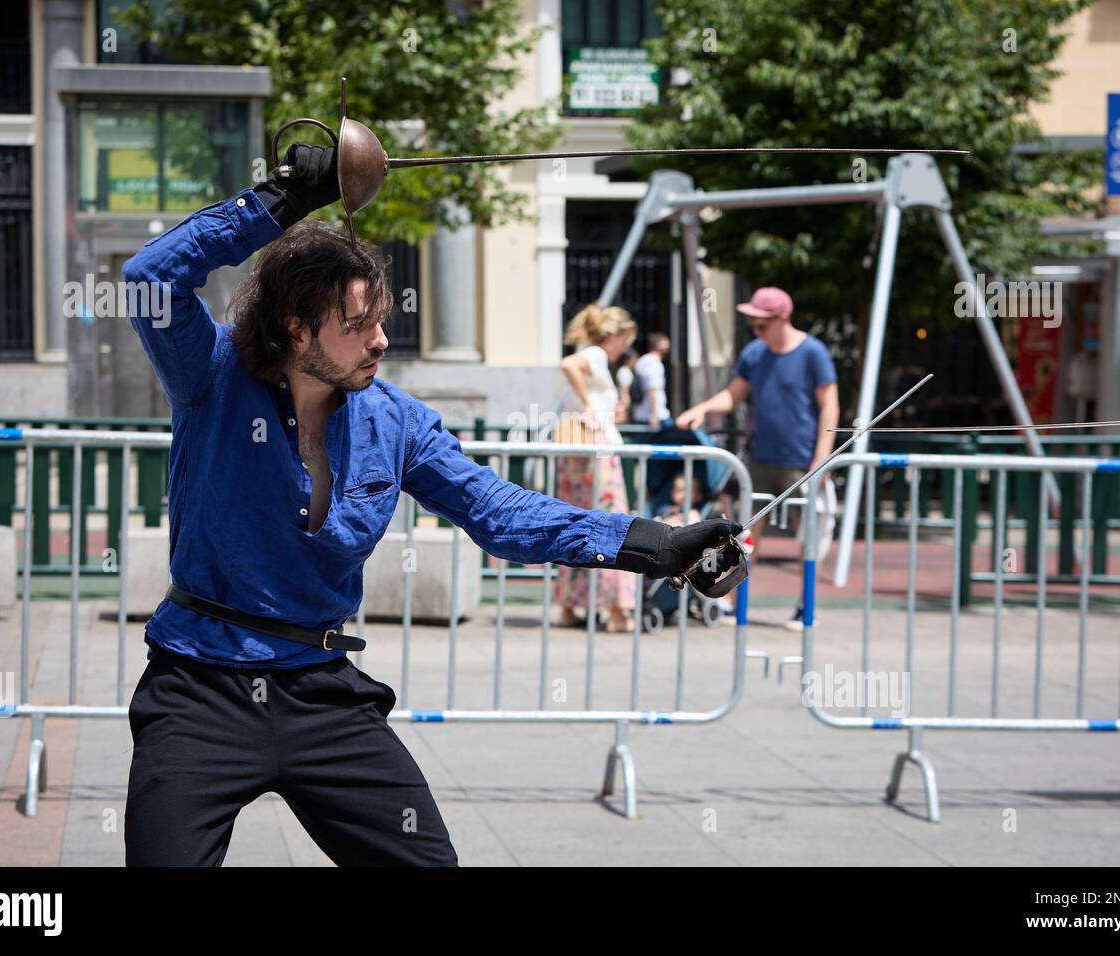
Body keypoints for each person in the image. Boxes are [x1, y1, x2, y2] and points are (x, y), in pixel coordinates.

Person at [120, 142, 740, 866]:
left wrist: (653, 544)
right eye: (357, 325)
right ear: (296, 328)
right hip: (199, 688)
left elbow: (498, 512)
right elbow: (150, 277)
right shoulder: (213, 375)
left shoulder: (397, 420)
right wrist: (280, 202)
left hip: (322, 693)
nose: (381, 338)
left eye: (381, 318)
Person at [677, 286, 838, 629]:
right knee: (746, 535)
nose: (756, 331)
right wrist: (703, 408)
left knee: (809, 536)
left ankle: (805, 607)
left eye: (762, 325)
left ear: (783, 318)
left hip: (802, 461)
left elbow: (829, 405)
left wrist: (822, 459)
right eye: (752, 325)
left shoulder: (813, 353)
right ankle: (737, 605)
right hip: (762, 458)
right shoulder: (754, 353)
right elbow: (734, 395)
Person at [553, 305, 640, 633]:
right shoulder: (596, 355)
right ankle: (617, 609)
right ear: (612, 336)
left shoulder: (588, 356)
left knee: (575, 523)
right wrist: (592, 406)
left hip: (577, 452)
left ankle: (569, 605)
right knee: (611, 523)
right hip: (597, 452)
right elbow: (568, 365)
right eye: (624, 340)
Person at [632, 333, 671, 428]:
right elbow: (652, 389)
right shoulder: (654, 363)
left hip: (642, 414)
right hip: (655, 417)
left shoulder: (642, 361)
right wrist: (654, 415)